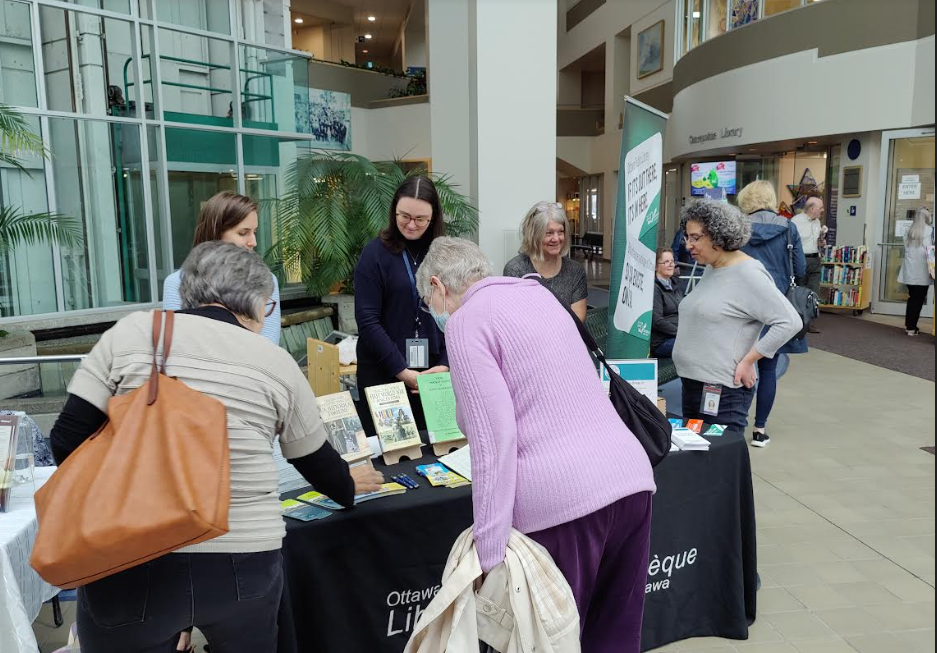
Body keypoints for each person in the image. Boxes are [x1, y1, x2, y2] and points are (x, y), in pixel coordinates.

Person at [50, 242, 383, 653]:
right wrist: (350, 486)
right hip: (243, 561)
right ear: (253, 304)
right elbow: (314, 460)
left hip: (131, 557)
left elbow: (66, 440)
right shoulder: (273, 360)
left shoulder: (131, 335)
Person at [417, 237, 656, 652]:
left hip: (563, 503)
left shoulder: (465, 321)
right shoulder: (540, 295)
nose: (432, 312)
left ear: (438, 286)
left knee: (551, 639)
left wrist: (489, 554)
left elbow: (495, 442)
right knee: (615, 632)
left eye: (427, 301)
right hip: (630, 478)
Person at [673, 200, 801, 435]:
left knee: (719, 461)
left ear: (717, 236)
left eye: (695, 237)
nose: (688, 245)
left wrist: (749, 360)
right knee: (697, 459)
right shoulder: (714, 268)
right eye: (687, 237)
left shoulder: (747, 272)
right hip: (694, 383)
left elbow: (789, 321)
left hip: (722, 392)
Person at [354, 176, 449, 435]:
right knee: (389, 457)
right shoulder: (375, 254)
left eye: (420, 219)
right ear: (394, 210)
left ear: (433, 218)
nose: (411, 224)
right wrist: (402, 371)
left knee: (437, 453)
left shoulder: (445, 255)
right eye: (404, 215)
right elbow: (367, 321)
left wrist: (445, 363)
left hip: (434, 374)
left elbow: (461, 314)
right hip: (383, 373)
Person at [737, 180, 807, 448]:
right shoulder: (789, 228)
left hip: (742, 304)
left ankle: (734, 425)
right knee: (768, 367)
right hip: (776, 305)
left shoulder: (739, 229)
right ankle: (759, 429)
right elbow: (799, 268)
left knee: (739, 362)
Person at [163, 191, 281, 345]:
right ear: (215, 233)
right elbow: (175, 346)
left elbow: (269, 346)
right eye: (243, 233)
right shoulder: (177, 282)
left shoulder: (267, 281)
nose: (253, 241)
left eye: (254, 232)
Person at [503, 201, 589, 320]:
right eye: (549, 233)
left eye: (560, 232)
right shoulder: (516, 270)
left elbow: (578, 320)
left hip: (567, 337)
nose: (556, 238)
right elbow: (515, 319)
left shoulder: (575, 271)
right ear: (534, 235)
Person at [791, 197, 827, 332]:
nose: (822, 210)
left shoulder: (817, 221)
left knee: (814, 292)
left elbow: (814, 241)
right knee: (801, 291)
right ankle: (799, 322)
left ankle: (809, 322)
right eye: (821, 208)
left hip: (815, 259)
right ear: (812, 209)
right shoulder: (795, 222)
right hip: (801, 260)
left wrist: (821, 243)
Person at [898, 207, 935, 336]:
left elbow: (905, 246)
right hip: (923, 271)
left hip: (910, 271)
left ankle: (909, 326)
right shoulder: (931, 231)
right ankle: (911, 328)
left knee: (912, 298)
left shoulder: (908, 231)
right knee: (918, 300)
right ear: (927, 218)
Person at [651, 248, 683, 359]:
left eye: (672, 261)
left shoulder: (675, 284)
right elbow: (657, 321)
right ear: (655, 266)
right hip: (662, 341)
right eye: (666, 262)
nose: (671, 265)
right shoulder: (654, 288)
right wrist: (681, 333)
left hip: (677, 336)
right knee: (697, 347)